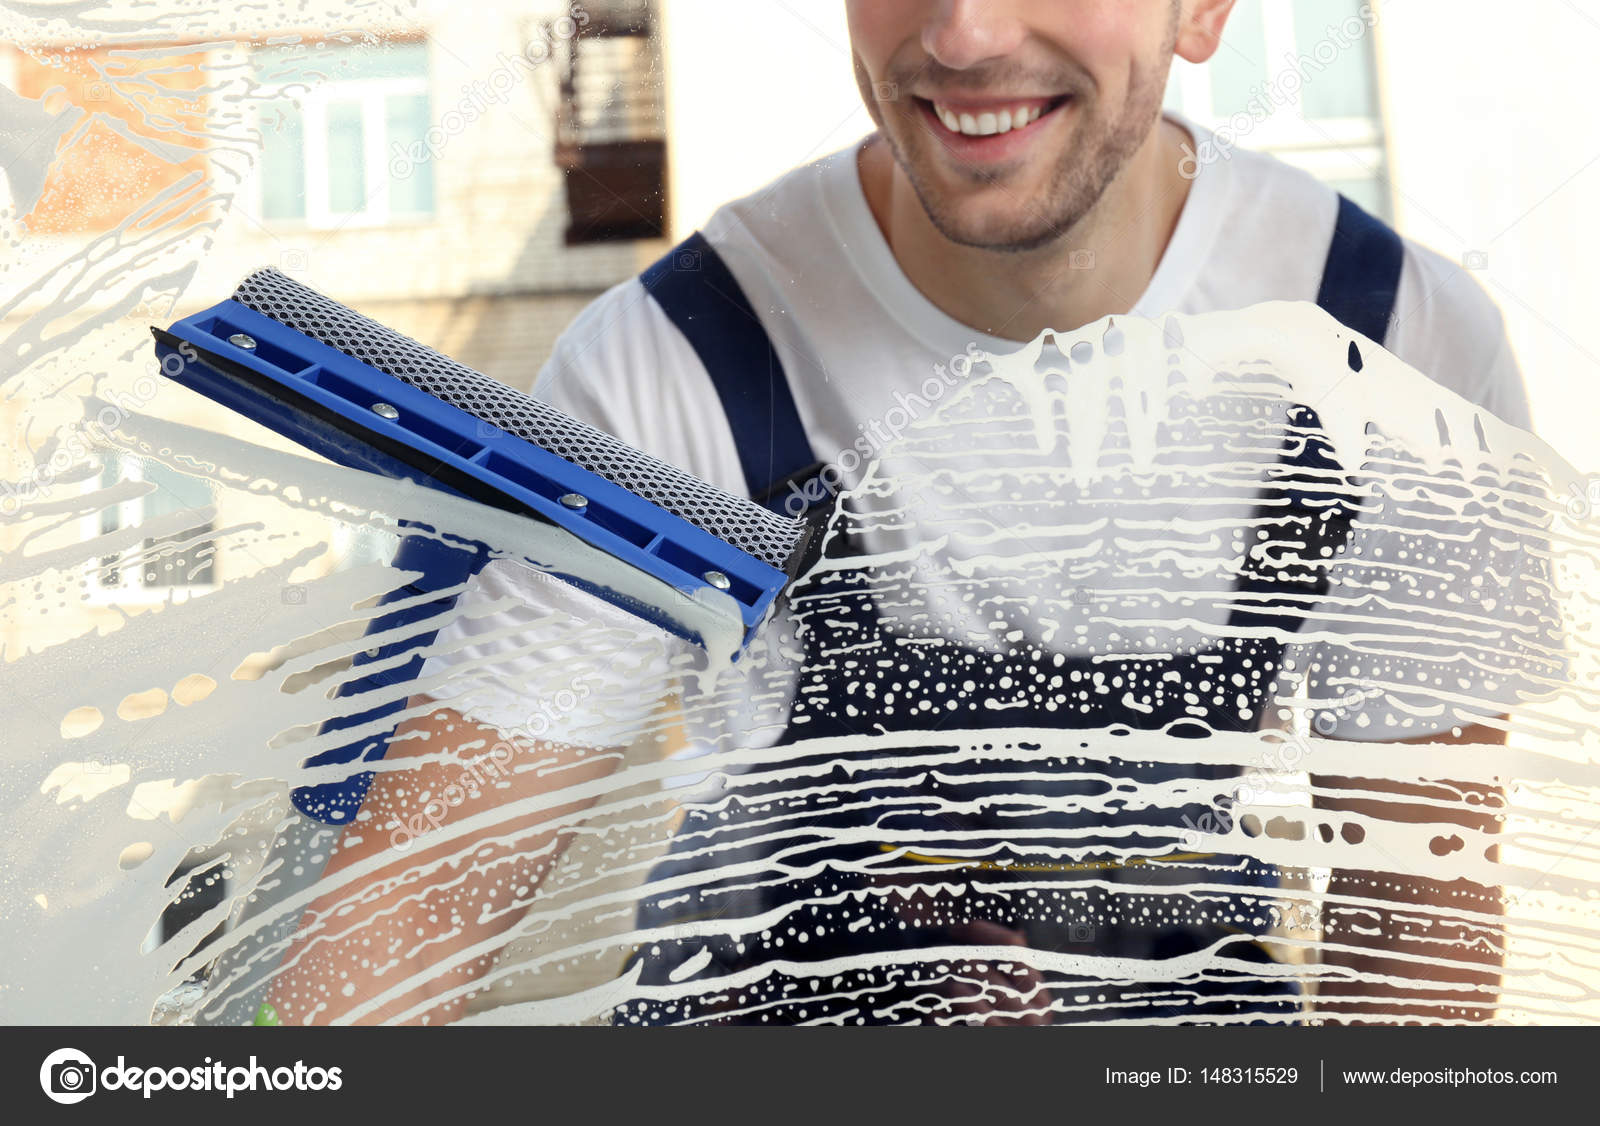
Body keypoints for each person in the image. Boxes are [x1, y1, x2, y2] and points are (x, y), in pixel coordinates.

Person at [271, 0, 1547, 1026]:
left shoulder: (1394, 345)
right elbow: (411, 928)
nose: (962, 33)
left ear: (1202, 10)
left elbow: (1414, 932)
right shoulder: (680, 366)